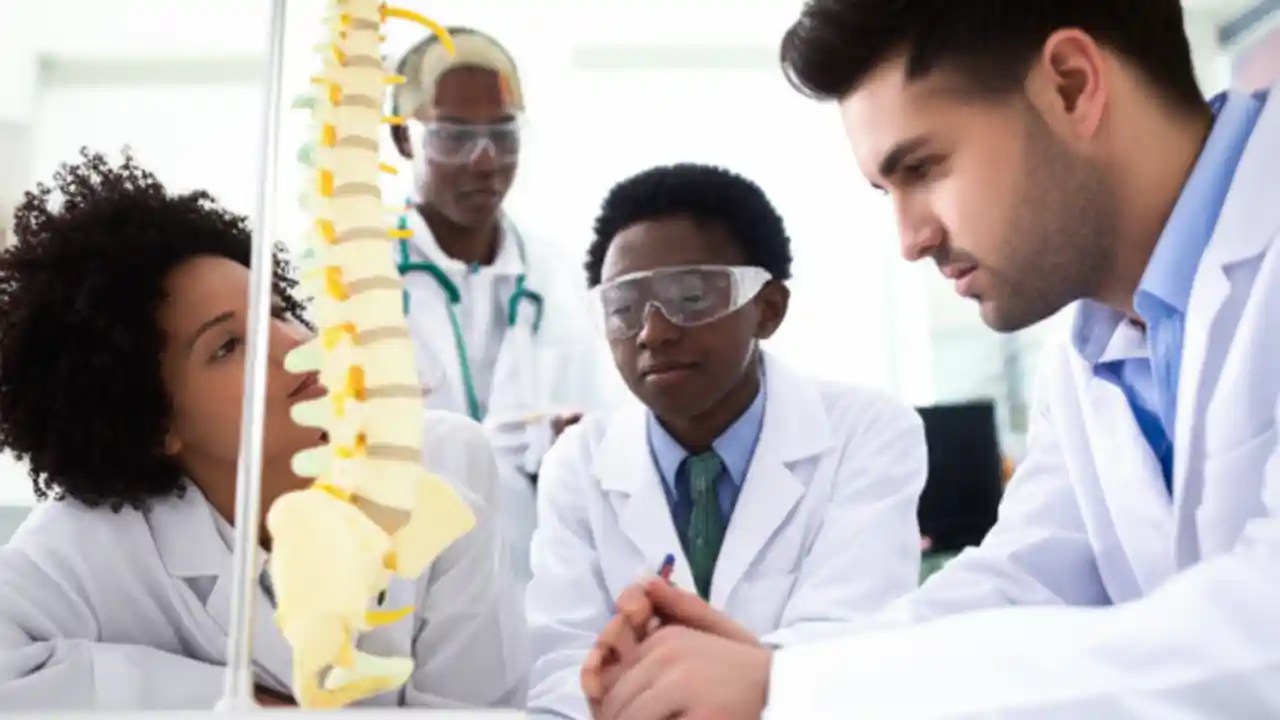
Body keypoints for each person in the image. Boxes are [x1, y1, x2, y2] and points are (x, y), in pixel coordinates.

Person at [581, 1, 1280, 718]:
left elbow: (1264, 634)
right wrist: (770, 670)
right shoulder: (1093, 348)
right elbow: (1021, 585)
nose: (911, 239)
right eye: (889, 191)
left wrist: (792, 693)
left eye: (923, 166)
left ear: (1071, 86)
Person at [0, 150, 527, 709]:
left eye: (276, 311)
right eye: (228, 346)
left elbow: (477, 711)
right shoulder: (94, 543)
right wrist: (239, 703)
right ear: (155, 421)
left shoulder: (440, 463)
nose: (294, 346)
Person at [525, 163, 928, 718]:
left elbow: (846, 649)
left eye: (691, 298)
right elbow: (561, 670)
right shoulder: (578, 462)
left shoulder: (868, 433)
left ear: (768, 310)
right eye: (624, 308)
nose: (653, 332)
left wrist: (706, 688)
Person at [387, 27, 618, 587]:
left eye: (503, 134)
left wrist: (573, 447)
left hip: (534, 581)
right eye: (453, 136)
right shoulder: (349, 282)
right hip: (403, 584)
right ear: (402, 138)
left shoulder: (560, 277)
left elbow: (603, 438)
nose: (485, 161)